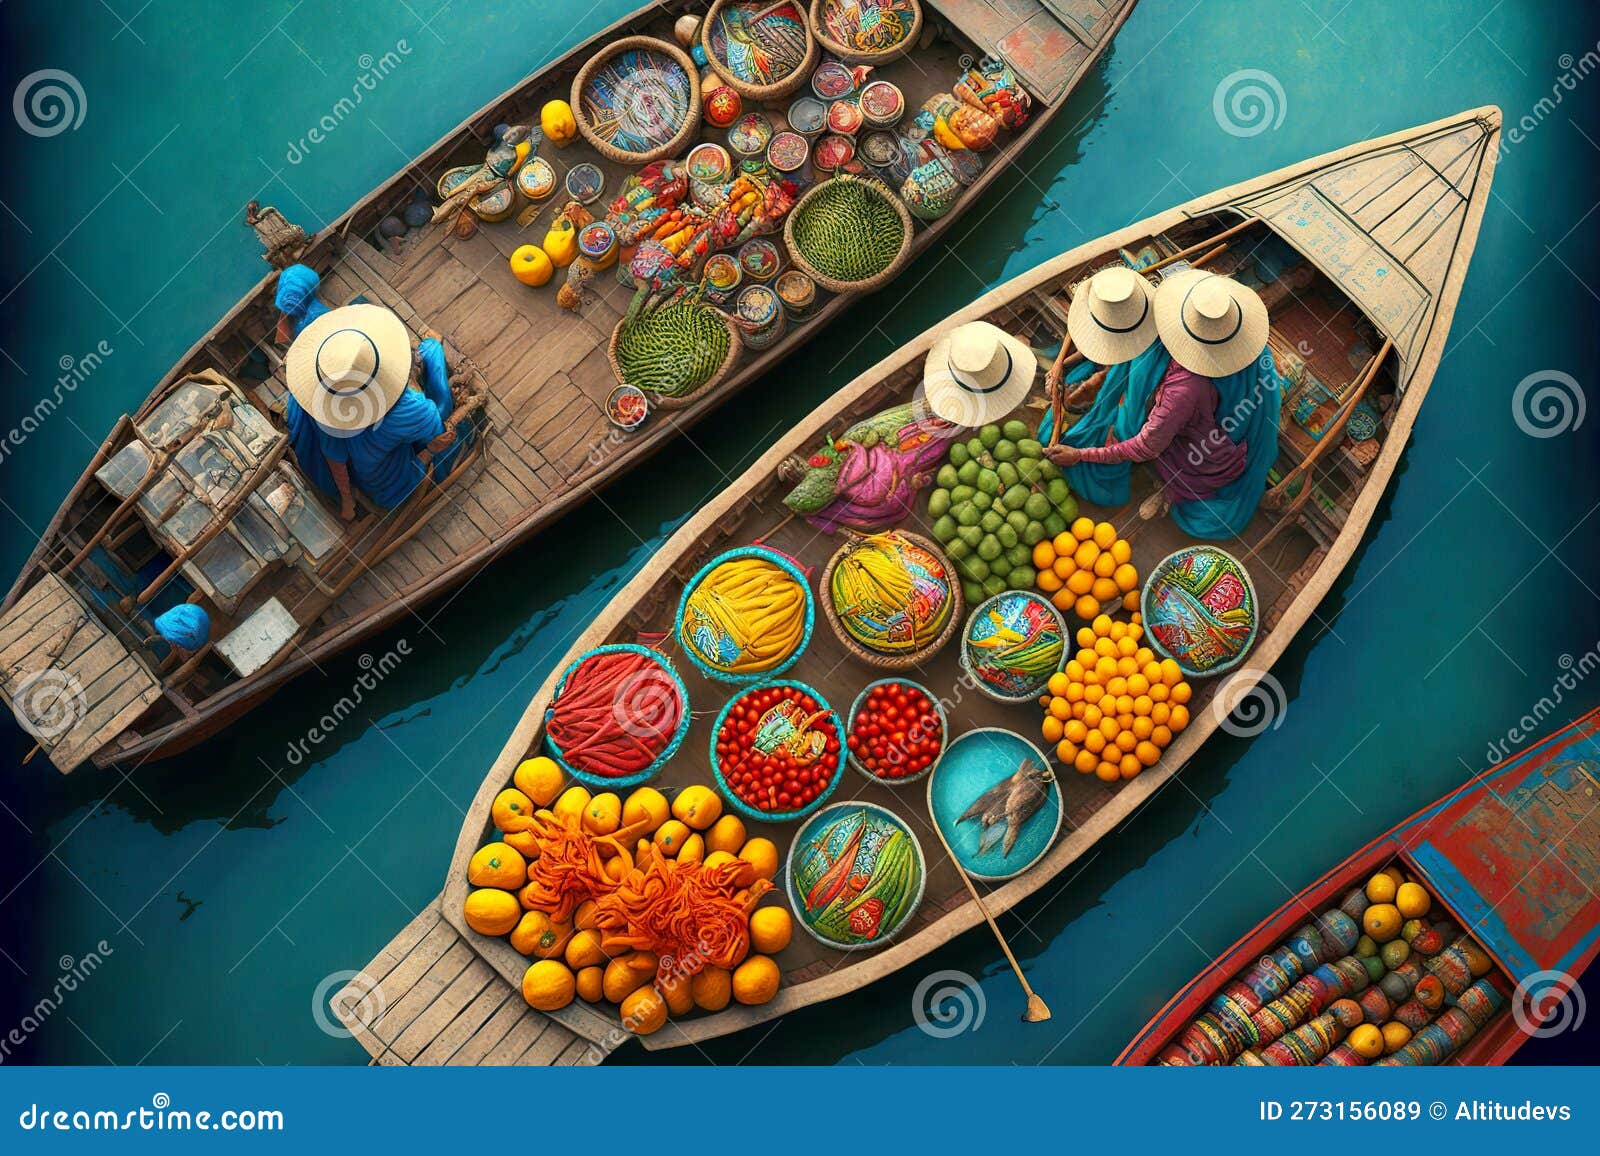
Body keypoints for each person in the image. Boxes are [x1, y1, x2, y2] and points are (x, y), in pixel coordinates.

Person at [1043, 268, 1283, 539]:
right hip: (1212, 413)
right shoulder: (1229, 333)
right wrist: (1096, 379)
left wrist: (1080, 455)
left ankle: (1170, 492)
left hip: (1202, 449)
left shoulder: (1183, 391)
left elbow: (1145, 446)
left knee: (1149, 449)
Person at [283, 304, 460, 519]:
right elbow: (436, 433)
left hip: (368, 475)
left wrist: (347, 502)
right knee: (433, 353)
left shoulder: (327, 417)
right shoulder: (412, 407)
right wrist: (429, 451)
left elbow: (336, 461)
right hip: (391, 485)